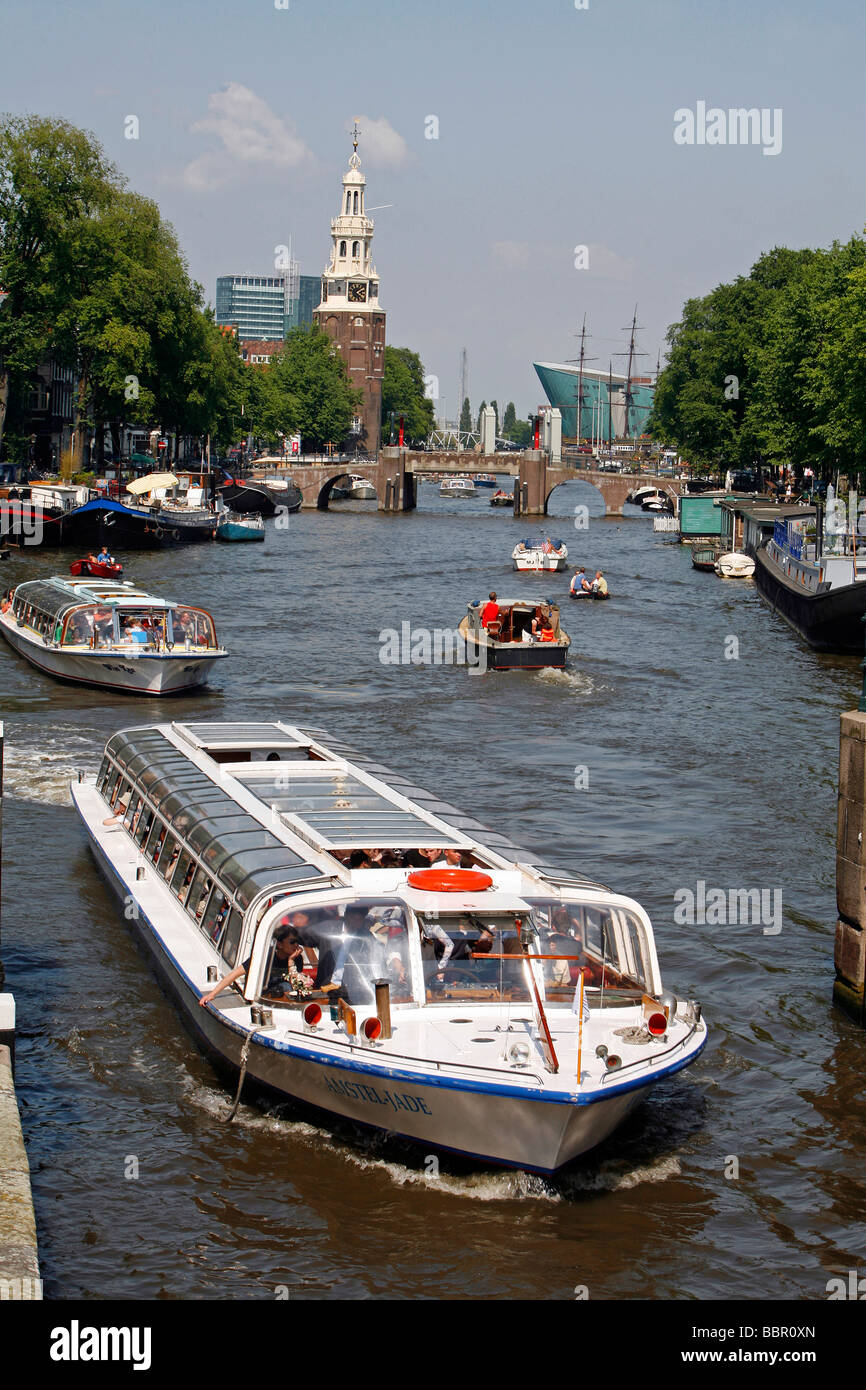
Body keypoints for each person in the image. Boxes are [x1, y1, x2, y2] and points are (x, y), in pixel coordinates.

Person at [198, 927, 305, 1006]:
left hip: (285, 998)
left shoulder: (297, 959)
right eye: (292, 942)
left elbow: (295, 986)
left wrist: (291, 961)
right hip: (263, 997)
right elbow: (235, 974)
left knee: (287, 986)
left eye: (297, 942)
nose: (296, 945)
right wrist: (212, 994)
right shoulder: (264, 957)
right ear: (280, 944)